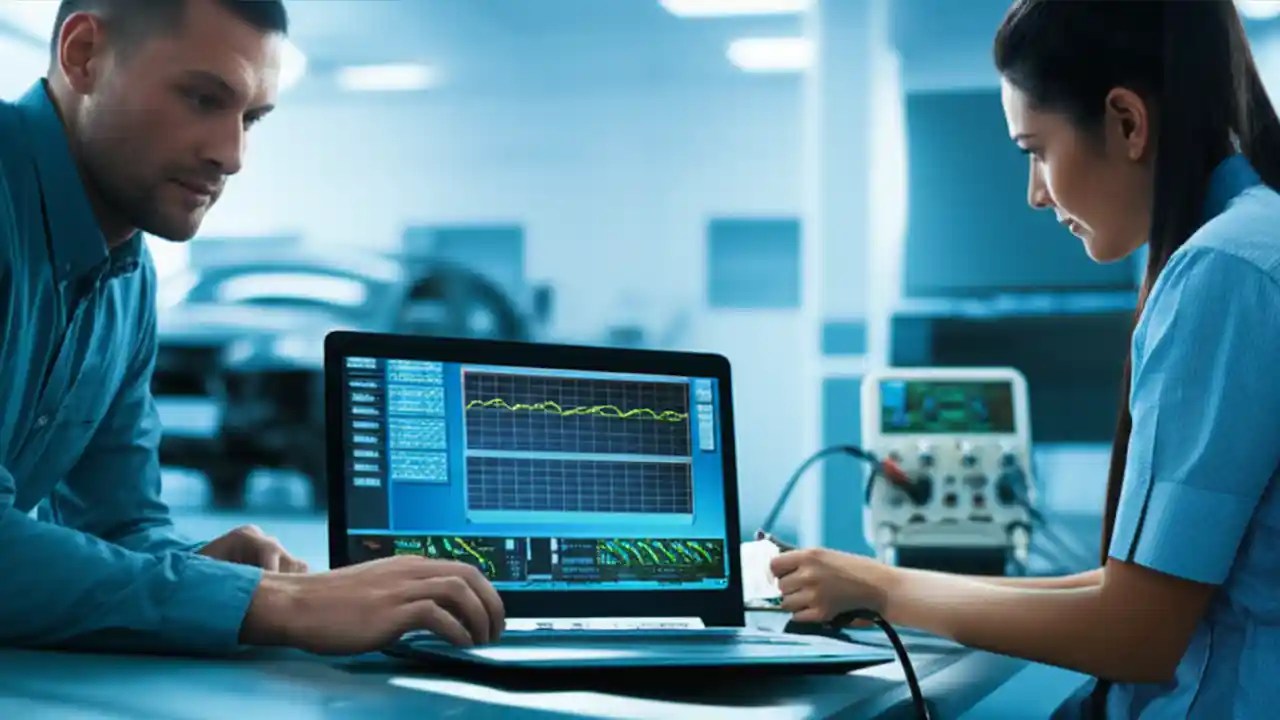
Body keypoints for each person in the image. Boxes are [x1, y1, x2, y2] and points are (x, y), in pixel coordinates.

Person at [770, 1, 1280, 717]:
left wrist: (883, 589)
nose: (1036, 194)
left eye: (1035, 151)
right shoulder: (1260, 238)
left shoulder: (1221, 270)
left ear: (1127, 122)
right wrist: (873, 582)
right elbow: (1136, 592)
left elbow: (1135, 632)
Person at [0, 0, 503, 656]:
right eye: (202, 99)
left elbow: (117, 527)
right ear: (84, 55)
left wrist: (204, 568)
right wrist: (272, 602)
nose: (232, 155)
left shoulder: (129, 273)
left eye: (251, 118)